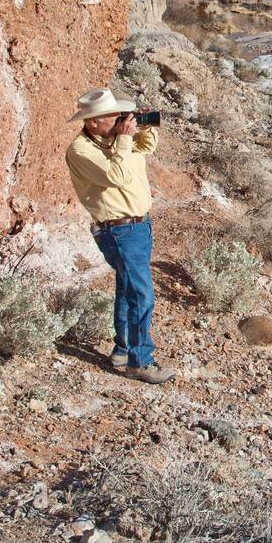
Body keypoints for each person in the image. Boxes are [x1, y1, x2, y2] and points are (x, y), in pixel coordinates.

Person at [64, 89, 175, 384]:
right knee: (142, 294)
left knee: (127, 289)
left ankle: (123, 350)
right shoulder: (81, 151)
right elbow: (116, 176)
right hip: (119, 230)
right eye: (111, 116)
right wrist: (124, 139)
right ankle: (140, 361)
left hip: (139, 227)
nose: (118, 119)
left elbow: (145, 148)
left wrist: (144, 127)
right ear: (92, 122)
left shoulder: (114, 140)